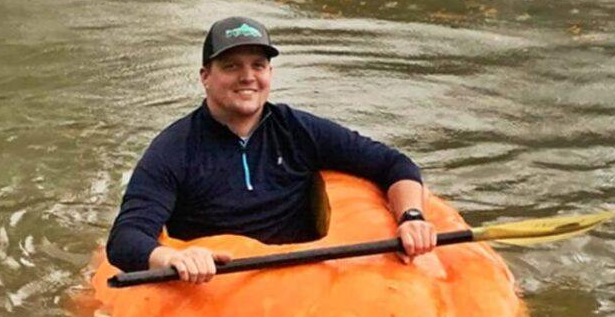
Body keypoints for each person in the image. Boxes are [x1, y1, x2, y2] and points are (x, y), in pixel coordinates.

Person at [107, 16, 437, 284]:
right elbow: (126, 238)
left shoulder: (298, 129)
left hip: (304, 279)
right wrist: (175, 258)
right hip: (220, 287)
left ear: (270, 74)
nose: (247, 77)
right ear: (205, 77)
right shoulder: (174, 148)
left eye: (258, 65)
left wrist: (411, 218)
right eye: (231, 66)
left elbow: (394, 163)